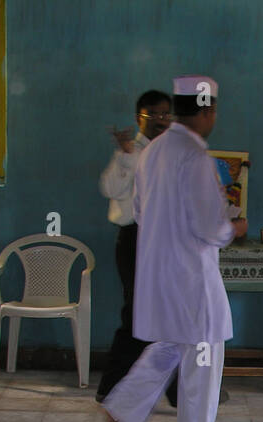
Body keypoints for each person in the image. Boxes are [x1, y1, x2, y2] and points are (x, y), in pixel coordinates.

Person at [102, 75, 246, 422]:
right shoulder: (195, 156)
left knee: (173, 343)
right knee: (205, 347)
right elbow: (208, 224)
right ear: (208, 112)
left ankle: (122, 407)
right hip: (192, 270)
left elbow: (138, 209)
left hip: (159, 266)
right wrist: (233, 228)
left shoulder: (153, 151)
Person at [95, 89, 176, 404]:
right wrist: (126, 155)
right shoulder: (131, 152)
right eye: (153, 114)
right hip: (135, 239)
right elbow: (110, 188)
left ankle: (174, 390)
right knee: (137, 314)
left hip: (164, 241)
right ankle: (111, 387)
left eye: (165, 114)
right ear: (138, 118)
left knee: (166, 315)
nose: (160, 120)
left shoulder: (171, 151)